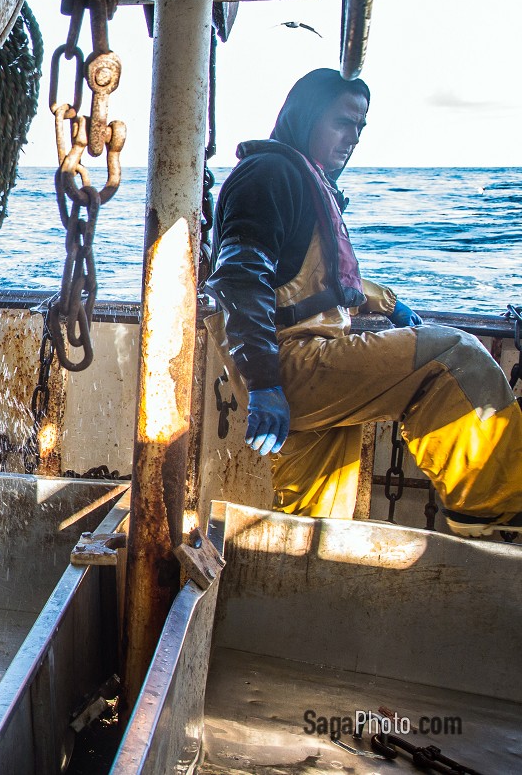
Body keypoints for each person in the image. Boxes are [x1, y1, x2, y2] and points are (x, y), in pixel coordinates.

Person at [205, 68, 522, 537]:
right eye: (342, 122)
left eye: (360, 127)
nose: (352, 137)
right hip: (288, 364)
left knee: (316, 525)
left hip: (306, 360)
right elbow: (238, 277)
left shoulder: (302, 177)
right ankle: (496, 513)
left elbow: (308, 280)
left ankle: (297, 590)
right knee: (455, 357)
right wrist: (265, 380)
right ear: (305, 115)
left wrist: (386, 303)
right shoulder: (269, 174)